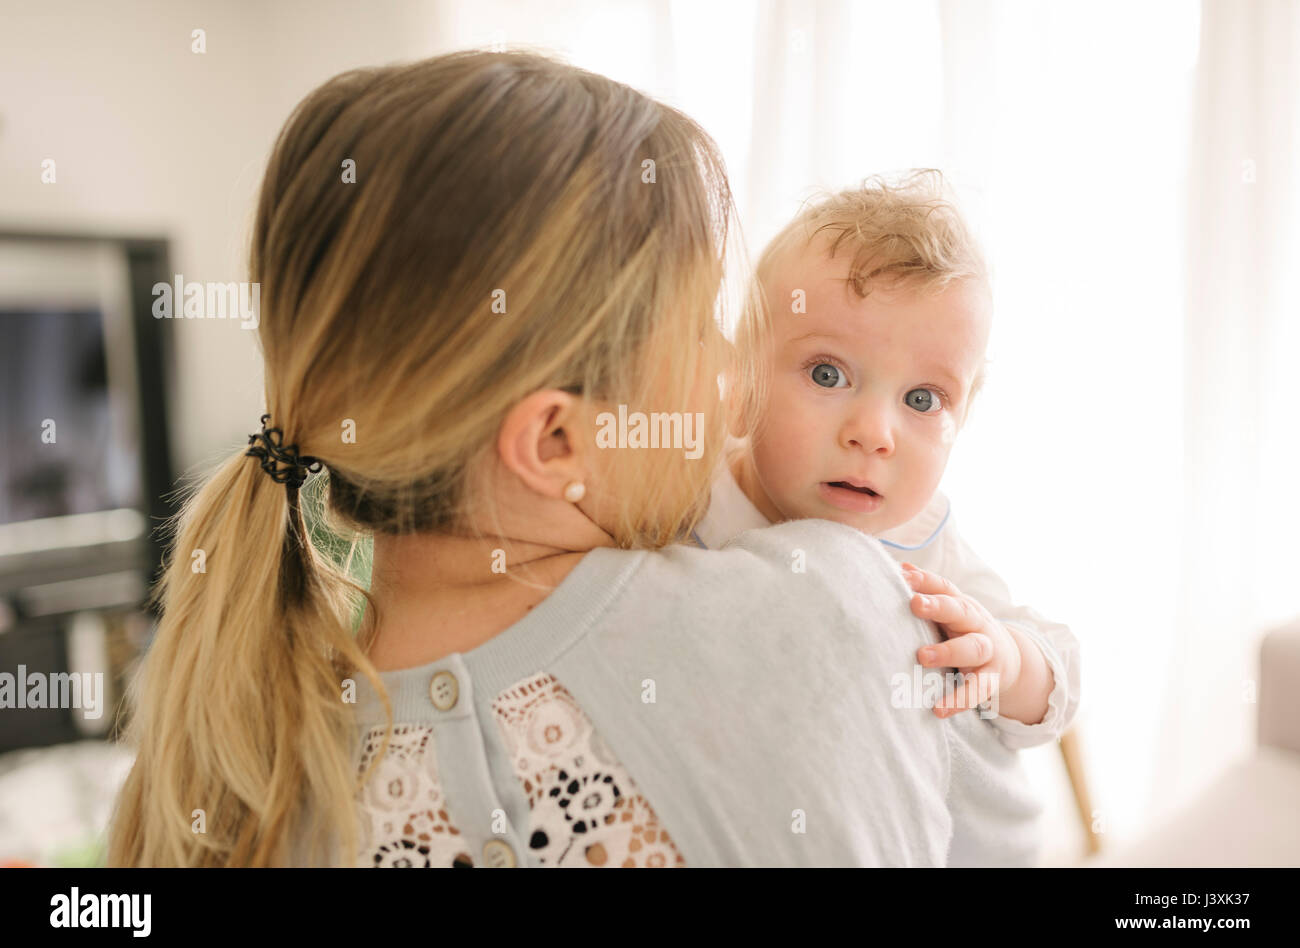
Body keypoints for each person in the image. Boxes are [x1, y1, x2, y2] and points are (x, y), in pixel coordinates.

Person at [108, 50, 1039, 867]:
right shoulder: (831, 606)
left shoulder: (242, 780)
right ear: (557, 443)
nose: (732, 374)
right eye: (705, 323)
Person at [697, 171, 1081, 754]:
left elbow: (1060, 679)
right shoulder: (690, 498)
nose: (875, 435)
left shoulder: (925, 542)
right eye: (828, 375)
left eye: (922, 400)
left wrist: (1005, 658)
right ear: (742, 385)